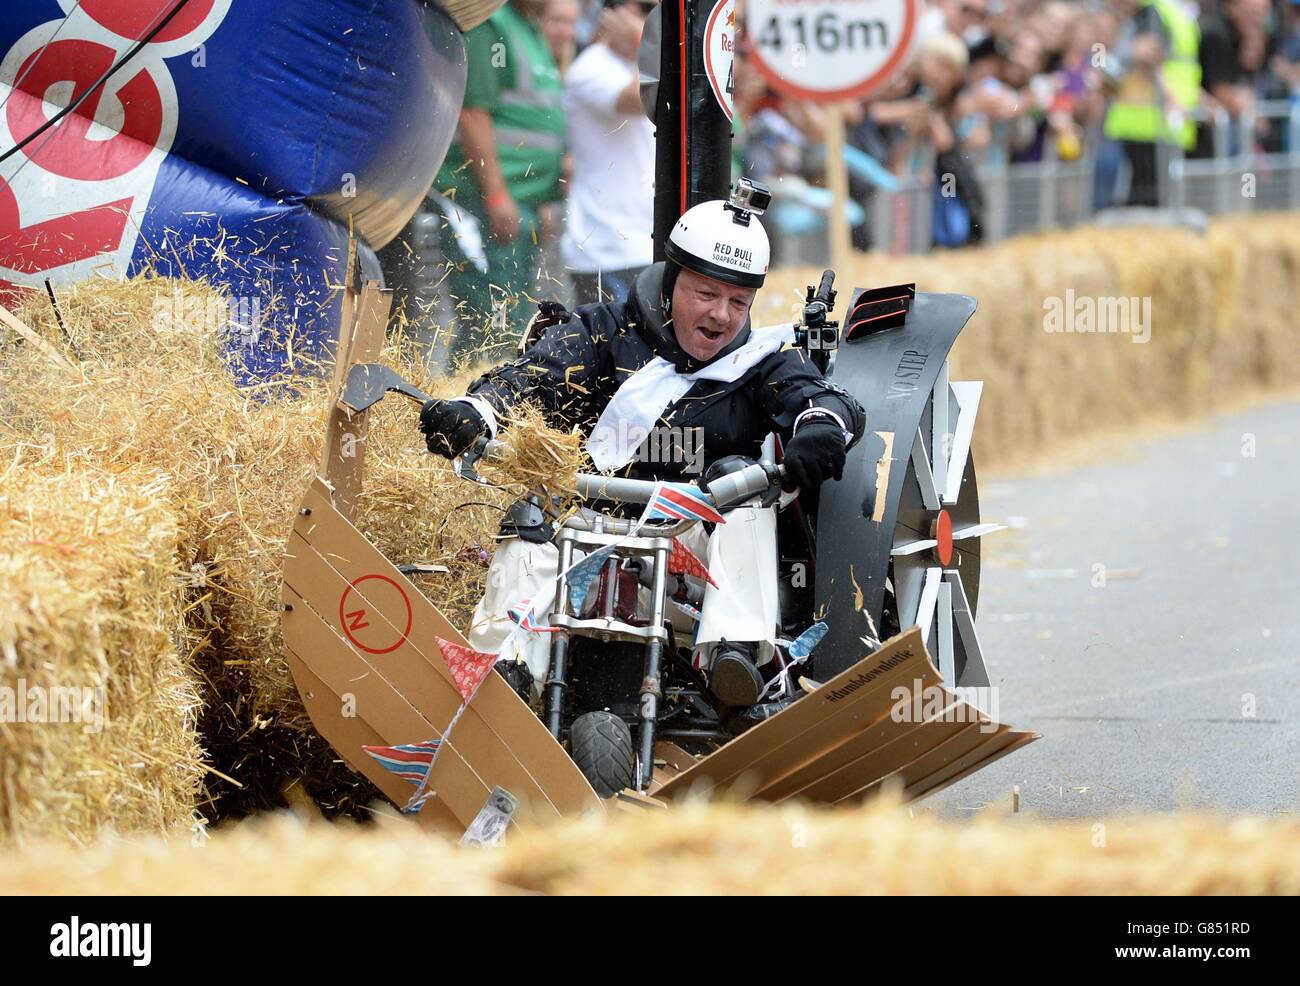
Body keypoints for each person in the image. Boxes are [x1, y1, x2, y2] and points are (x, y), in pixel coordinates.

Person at [419, 185, 865, 708]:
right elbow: (526, 380)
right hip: (576, 536)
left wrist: (821, 428)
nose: (721, 316)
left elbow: (822, 400)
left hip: (691, 561)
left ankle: (737, 658)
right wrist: (476, 413)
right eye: (706, 294)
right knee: (527, 513)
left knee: (744, 479)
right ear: (672, 281)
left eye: (738, 301)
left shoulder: (761, 361)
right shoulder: (601, 332)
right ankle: (503, 680)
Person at [430, 0, 565, 368]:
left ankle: (500, 405)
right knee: (488, 322)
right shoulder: (490, 24)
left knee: (513, 323)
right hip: (483, 203)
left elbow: (537, 120)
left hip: (519, 205)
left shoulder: (530, 28)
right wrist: (497, 196)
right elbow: (473, 115)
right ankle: (465, 409)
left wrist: (543, 201)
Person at [561, 0, 657, 304]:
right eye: (643, 8)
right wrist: (647, 40)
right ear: (609, 14)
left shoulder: (642, 66)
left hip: (647, 243)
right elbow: (640, 98)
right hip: (607, 247)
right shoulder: (591, 66)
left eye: (657, 13)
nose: (652, 19)